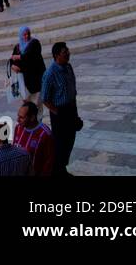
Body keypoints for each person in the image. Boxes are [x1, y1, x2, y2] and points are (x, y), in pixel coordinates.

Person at [41, 42, 81, 176]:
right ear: (57, 55)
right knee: (60, 143)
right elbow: (45, 98)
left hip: (71, 108)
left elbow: (72, 89)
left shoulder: (68, 67)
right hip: (59, 112)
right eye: (65, 52)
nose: (68, 53)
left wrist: (74, 112)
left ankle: (62, 168)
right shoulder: (50, 74)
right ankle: (57, 170)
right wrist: (57, 113)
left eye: (68, 51)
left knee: (70, 140)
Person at [14, 101, 55, 176]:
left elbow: (49, 160)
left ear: (32, 118)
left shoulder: (45, 134)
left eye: (21, 117)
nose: (17, 120)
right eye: (18, 116)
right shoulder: (18, 128)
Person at [8, 26, 45, 105]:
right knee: (26, 99)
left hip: (35, 77)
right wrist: (12, 66)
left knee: (37, 101)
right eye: (24, 35)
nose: (27, 36)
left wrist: (19, 57)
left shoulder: (34, 43)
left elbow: (32, 56)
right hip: (23, 79)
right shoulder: (18, 47)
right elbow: (12, 58)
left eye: (28, 34)